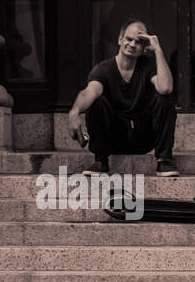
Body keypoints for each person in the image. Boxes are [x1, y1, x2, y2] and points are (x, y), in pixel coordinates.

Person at [67, 19, 179, 178]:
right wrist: (74, 112)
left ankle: (164, 160)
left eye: (139, 42)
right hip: (114, 136)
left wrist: (158, 50)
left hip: (144, 137)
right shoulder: (103, 69)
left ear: (144, 47)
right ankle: (101, 161)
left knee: (164, 98)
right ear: (120, 39)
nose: (133, 44)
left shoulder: (148, 65)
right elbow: (90, 91)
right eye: (129, 39)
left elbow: (166, 87)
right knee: (96, 102)